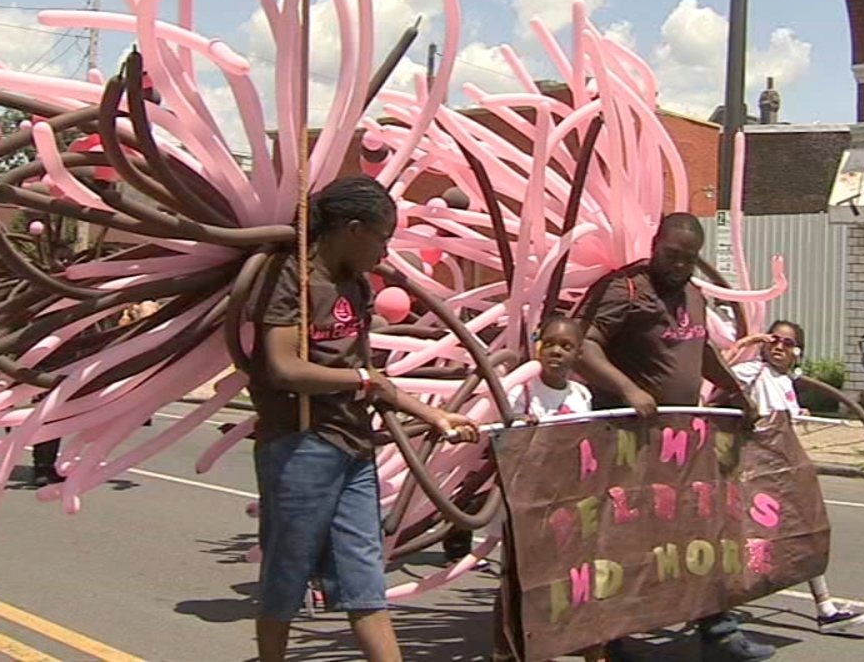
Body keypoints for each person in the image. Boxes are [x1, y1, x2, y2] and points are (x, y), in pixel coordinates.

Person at [245, 175, 479, 662]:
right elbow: (284, 366)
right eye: (382, 238)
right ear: (352, 229)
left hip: (353, 446)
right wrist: (360, 383)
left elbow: (368, 371)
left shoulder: (353, 285)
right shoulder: (293, 277)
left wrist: (432, 414)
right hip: (300, 444)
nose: (386, 251)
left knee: (364, 578)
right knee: (286, 577)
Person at [576, 212, 773, 662]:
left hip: (683, 440)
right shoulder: (623, 288)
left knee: (698, 532)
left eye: (689, 257)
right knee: (626, 538)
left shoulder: (693, 294)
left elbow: (701, 349)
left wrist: (738, 396)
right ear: (654, 244)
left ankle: (719, 630)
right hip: (628, 438)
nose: (679, 264)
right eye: (671, 254)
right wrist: (628, 388)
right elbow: (583, 344)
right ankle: (613, 636)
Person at [727, 320, 864, 635]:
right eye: (774, 340)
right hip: (755, 469)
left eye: (787, 343)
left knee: (804, 530)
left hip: (783, 468)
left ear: (798, 352)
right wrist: (743, 344)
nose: (779, 347)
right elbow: (718, 377)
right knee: (749, 536)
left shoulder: (784, 382)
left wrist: (799, 414)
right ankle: (716, 612)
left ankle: (825, 608)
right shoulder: (753, 371)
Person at [492, 317, 604, 662]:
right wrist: (519, 430)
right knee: (520, 578)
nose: (556, 351)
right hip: (528, 503)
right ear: (538, 346)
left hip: (569, 502)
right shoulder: (520, 390)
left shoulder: (582, 395)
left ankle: (589, 648)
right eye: (550, 343)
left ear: (578, 354)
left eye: (566, 346)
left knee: (575, 577)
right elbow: (499, 439)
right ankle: (509, 651)